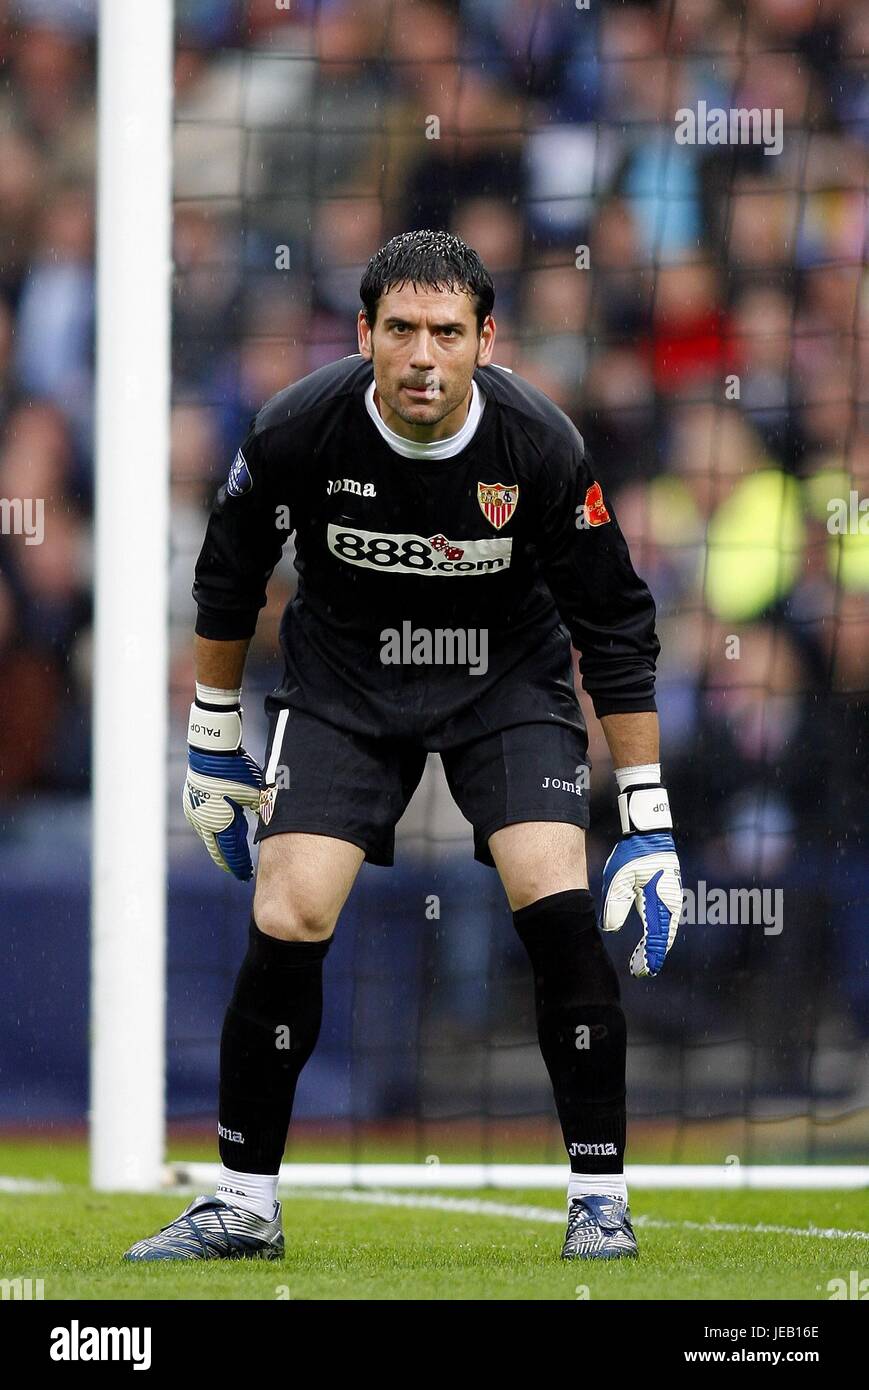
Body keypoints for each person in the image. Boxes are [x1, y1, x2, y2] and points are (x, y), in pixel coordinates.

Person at [124, 230, 682, 1264]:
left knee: (551, 891)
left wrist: (645, 813)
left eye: (446, 332)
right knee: (287, 904)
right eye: (401, 330)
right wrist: (211, 737)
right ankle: (244, 1203)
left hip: (504, 682)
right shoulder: (296, 429)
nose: (423, 356)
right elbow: (226, 578)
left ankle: (598, 1197)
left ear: (485, 340)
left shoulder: (541, 446)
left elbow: (614, 622)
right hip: (344, 682)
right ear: (362, 334)